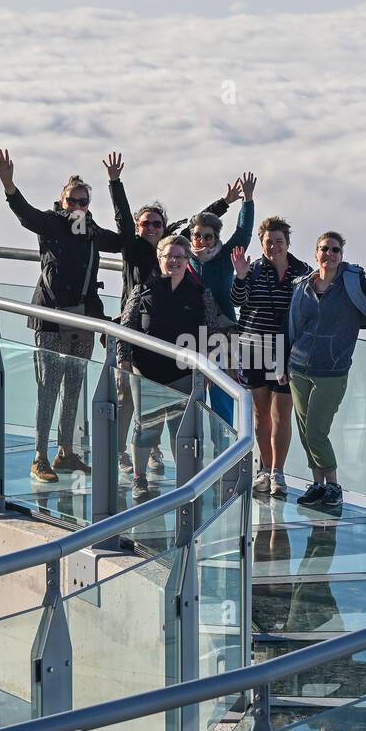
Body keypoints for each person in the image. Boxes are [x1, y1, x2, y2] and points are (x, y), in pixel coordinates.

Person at [102, 152, 242, 479]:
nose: (151, 227)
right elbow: (123, 218)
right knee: (131, 405)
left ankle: (165, 464)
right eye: (145, 223)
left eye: (157, 223)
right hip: (139, 341)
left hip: (177, 359)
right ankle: (125, 458)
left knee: (172, 416)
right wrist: (115, 182)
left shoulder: (188, 278)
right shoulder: (135, 249)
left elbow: (196, 221)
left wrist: (226, 201)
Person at [0, 148, 126, 485]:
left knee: (73, 387)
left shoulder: (93, 232)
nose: (77, 207)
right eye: (72, 201)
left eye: (83, 201)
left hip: (82, 320)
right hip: (50, 319)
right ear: (62, 201)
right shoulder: (52, 224)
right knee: (48, 388)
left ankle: (64, 452)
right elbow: (26, 215)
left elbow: (125, 240)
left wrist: (115, 184)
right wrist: (10, 186)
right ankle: (39, 455)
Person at [288, 232, 366, 510]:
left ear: (341, 255)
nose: (329, 254)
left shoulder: (351, 282)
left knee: (317, 430)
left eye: (334, 250)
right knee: (305, 431)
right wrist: (285, 363)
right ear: (316, 253)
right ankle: (317, 484)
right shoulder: (303, 285)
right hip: (298, 368)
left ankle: (333, 485)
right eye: (324, 249)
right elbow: (293, 325)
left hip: (331, 371)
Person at [117, 236, 233, 500]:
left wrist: (206, 368)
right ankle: (140, 479)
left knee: (185, 432)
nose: (174, 261)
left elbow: (211, 332)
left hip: (184, 375)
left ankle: (188, 483)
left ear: (187, 261)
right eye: (169, 256)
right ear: (160, 260)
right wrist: (124, 361)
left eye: (180, 257)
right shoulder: (143, 291)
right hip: (146, 373)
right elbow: (126, 328)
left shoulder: (200, 293)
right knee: (146, 428)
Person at [229, 216, 311, 498]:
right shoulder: (251, 270)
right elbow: (237, 301)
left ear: (287, 244)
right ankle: (264, 469)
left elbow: (313, 305)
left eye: (279, 242)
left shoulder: (303, 273)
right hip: (253, 345)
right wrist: (240, 276)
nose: (274, 246)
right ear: (261, 244)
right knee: (260, 413)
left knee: (281, 414)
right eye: (268, 242)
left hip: (287, 349)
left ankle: (278, 472)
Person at [188, 172, 256, 441]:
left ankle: (223, 450)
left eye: (208, 236)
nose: (202, 241)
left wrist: (247, 202)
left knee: (222, 395)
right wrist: (223, 202)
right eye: (198, 236)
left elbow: (243, 232)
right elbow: (194, 221)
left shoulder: (225, 258)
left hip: (224, 334)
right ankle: (193, 451)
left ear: (216, 238)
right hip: (189, 334)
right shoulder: (183, 256)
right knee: (193, 394)